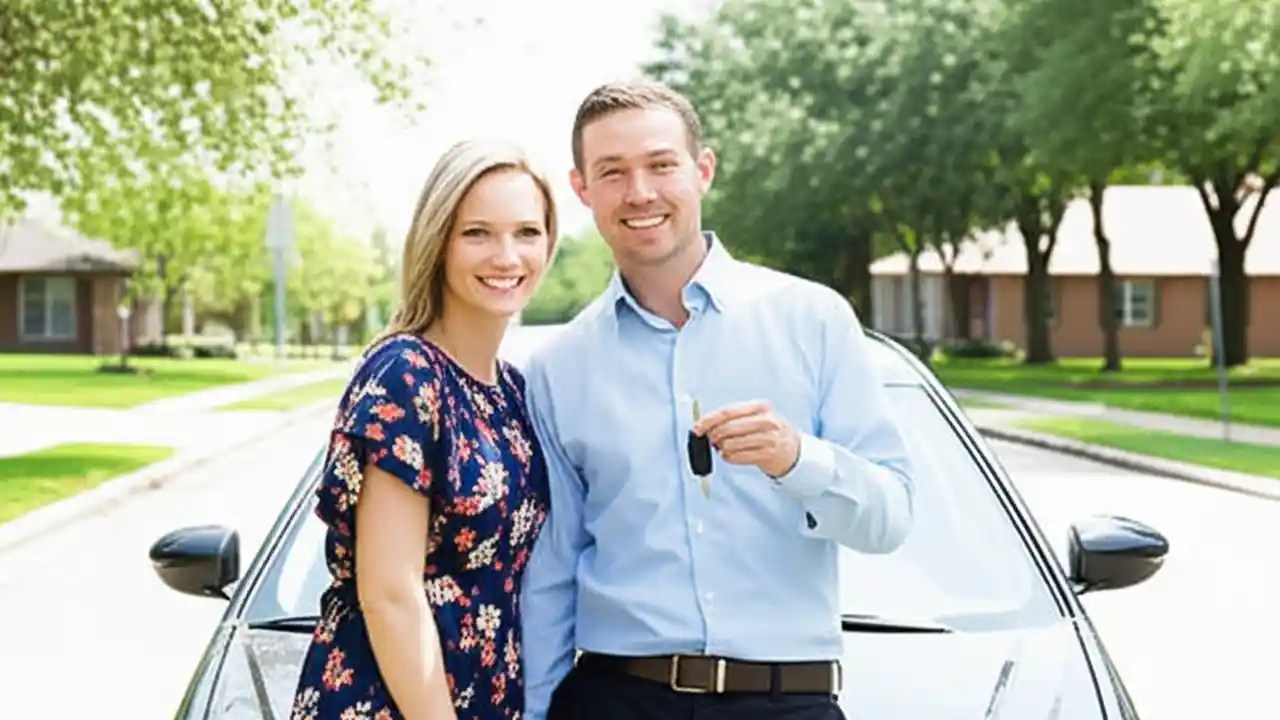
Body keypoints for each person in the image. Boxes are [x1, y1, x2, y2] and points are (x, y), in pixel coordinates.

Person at [519, 80, 918, 720]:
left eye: (660, 165)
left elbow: (889, 519)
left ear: (702, 171)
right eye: (613, 172)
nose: (640, 192)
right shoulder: (557, 367)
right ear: (582, 190)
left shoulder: (813, 319)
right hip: (615, 699)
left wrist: (797, 459)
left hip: (788, 698)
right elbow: (551, 569)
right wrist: (535, 712)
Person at [289, 138, 559, 720]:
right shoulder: (406, 375)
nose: (507, 256)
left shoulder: (511, 393)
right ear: (438, 243)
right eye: (477, 233)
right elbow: (390, 594)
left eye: (527, 233)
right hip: (391, 703)